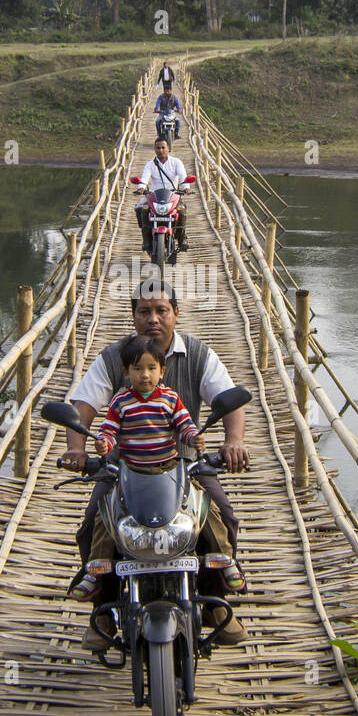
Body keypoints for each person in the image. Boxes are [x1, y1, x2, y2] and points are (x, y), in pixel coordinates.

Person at [60, 278, 250, 650]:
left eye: (162, 310)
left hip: (185, 466)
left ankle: (216, 604)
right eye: (144, 311)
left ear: (176, 315)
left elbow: (228, 398)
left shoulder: (198, 354)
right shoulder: (115, 357)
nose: (153, 319)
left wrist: (234, 441)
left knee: (223, 514)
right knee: (92, 524)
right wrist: (79, 449)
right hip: (123, 470)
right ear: (133, 316)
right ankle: (103, 612)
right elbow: (83, 404)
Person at [74, 334, 201, 588]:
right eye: (138, 369)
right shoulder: (121, 401)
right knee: (103, 516)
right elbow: (109, 431)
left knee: (207, 508)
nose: (145, 375)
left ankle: (224, 558)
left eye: (151, 368)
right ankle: (94, 569)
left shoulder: (170, 399)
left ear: (162, 371)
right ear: (126, 372)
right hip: (131, 471)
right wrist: (103, 444)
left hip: (170, 470)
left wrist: (193, 437)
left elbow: (185, 426)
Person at [135, 136, 189, 253]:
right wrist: (141, 187)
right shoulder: (150, 164)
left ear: (168, 148)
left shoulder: (176, 162)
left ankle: (182, 239)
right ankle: (146, 240)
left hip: (173, 196)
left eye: (163, 147)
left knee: (182, 210)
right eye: (158, 148)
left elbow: (183, 177)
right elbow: (144, 178)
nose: (160, 150)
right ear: (154, 149)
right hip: (154, 196)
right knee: (142, 209)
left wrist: (186, 188)